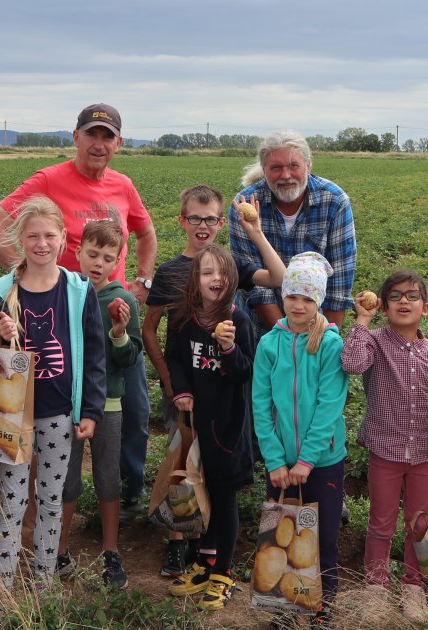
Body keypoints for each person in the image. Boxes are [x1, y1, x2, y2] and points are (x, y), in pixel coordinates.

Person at [0, 103, 155, 522]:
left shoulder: (123, 186)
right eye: (91, 134)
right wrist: (28, 280)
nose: (99, 144)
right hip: (66, 323)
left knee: (135, 411)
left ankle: (130, 498)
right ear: (75, 137)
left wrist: (142, 284)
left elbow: (145, 233)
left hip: (115, 316)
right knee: (63, 419)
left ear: (118, 144)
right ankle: (52, 509)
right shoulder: (50, 180)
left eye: (107, 137)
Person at [142, 184, 285, 577]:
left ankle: (212, 553)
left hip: (223, 393)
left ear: (221, 223)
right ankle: (178, 545)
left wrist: (255, 232)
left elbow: (279, 277)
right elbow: (151, 329)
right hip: (186, 387)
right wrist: (170, 381)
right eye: (194, 218)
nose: (202, 226)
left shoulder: (232, 264)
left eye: (210, 219)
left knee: (217, 474)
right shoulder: (171, 271)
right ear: (182, 221)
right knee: (182, 464)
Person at [0, 194, 106, 588]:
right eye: (32, 236)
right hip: (12, 416)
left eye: (49, 235)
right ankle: (4, 588)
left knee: (52, 501)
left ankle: (43, 584)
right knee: (12, 502)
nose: (41, 244)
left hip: (58, 414)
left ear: (63, 238)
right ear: (21, 239)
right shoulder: (0, 291)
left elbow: (95, 352)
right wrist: (0, 339)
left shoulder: (79, 289)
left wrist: (90, 410)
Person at [340, 268, 428, 623]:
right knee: (381, 522)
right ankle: (376, 588)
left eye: (412, 296)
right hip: (385, 449)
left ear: (425, 308)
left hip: (426, 451)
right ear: (384, 306)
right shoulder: (374, 341)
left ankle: (413, 588)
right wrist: (362, 321)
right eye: (396, 296)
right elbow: (351, 363)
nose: (404, 301)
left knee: (419, 523)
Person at [253, 252, 347, 622]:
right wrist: (275, 460)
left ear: (318, 301)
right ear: (283, 296)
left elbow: (329, 406)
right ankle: (284, 607)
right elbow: (260, 405)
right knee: (283, 535)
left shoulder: (329, 344)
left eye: (307, 298)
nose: (298, 304)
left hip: (322, 461)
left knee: (322, 538)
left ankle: (324, 607)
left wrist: (307, 459)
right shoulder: (269, 345)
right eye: (292, 295)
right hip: (281, 463)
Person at [164, 245, 256, 612]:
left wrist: (230, 349)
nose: (215, 279)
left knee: (224, 495)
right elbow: (175, 358)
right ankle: (204, 561)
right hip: (197, 422)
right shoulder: (185, 319)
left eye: (222, 272)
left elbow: (247, 371)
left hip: (229, 425)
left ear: (231, 279)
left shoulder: (239, 321)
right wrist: (182, 391)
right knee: (201, 492)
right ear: (195, 280)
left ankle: (225, 571)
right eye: (206, 273)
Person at [56, 220, 141, 589]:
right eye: (92, 254)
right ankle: (58, 549)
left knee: (107, 475)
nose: (98, 263)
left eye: (108, 258)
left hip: (107, 403)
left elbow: (130, 359)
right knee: (66, 478)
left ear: (118, 261)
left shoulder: (123, 301)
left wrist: (119, 333)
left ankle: (111, 551)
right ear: (77, 251)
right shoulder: (63, 292)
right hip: (66, 404)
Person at [229, 129, 357, 329]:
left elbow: (339, 283)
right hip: (261, 325)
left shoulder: (334, 201)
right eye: (276, 168)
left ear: (308, 166)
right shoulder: (245, 206)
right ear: (264, 170)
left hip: (315, 321)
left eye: (293, 166)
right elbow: (255, 285)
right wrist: (285, 338)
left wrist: (326, 341)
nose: (286, 175)